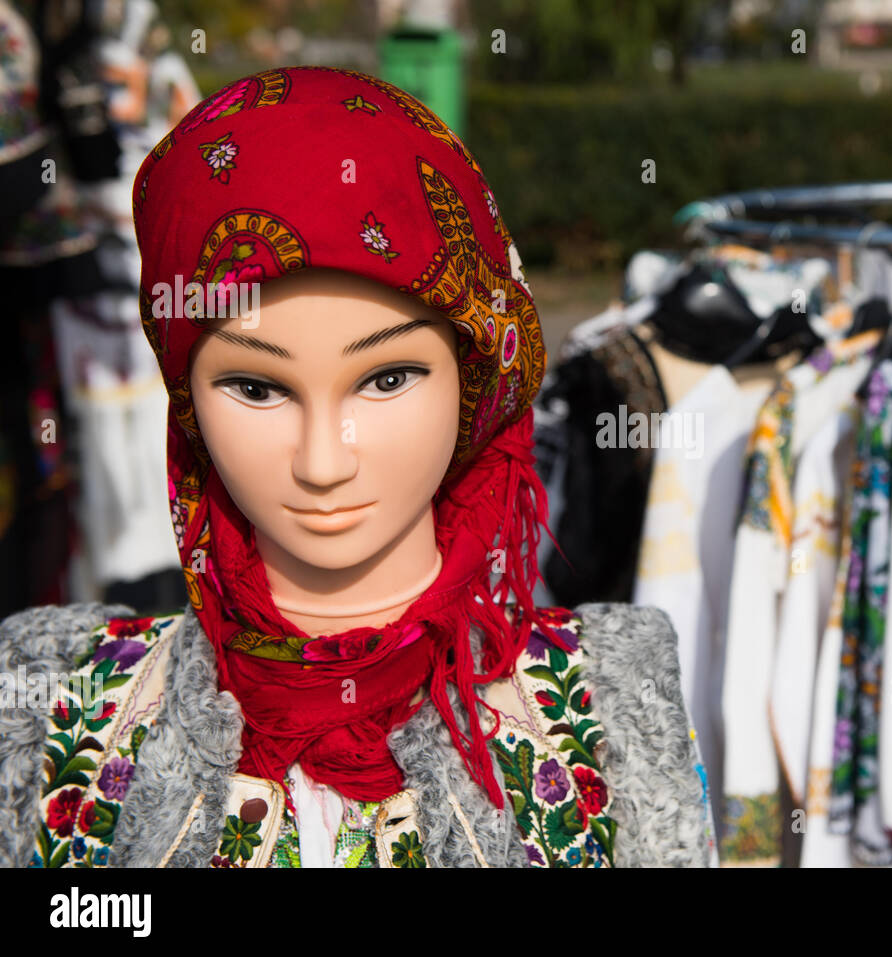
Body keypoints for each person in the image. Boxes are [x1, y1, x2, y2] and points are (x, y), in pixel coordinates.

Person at [0, 65, 716, 869]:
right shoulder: (57, 702)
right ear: (186, 399)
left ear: (475, 374)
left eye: (386, 378)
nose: (322, 460)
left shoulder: (613, 700)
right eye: (256, 386)